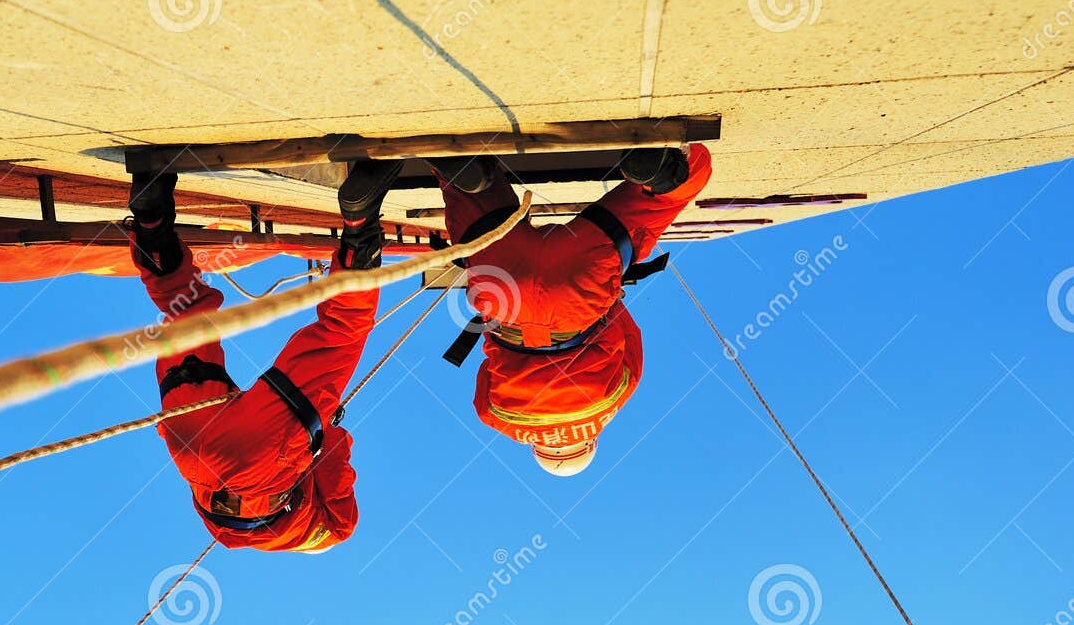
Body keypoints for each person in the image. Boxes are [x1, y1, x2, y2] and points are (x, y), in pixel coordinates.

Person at [127, 160, 402, 551]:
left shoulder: (332, 531)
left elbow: (334, 455)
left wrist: (328, 426)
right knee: (185, 311)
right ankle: (150, 218)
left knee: (342, 331)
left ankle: (360, 221)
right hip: (188, 449)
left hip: (261, 462)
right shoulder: (227, 535)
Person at [435, 144, 713, 476]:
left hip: (579, 295)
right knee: (477, 220)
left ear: (591, 443)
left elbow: (624, 327)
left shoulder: (615, 401)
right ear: (537, 449)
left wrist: (605, 285)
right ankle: (471, 177)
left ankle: (657, 175)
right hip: (505, 297)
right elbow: (486, 371)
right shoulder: (497, 419)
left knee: (663, 200)